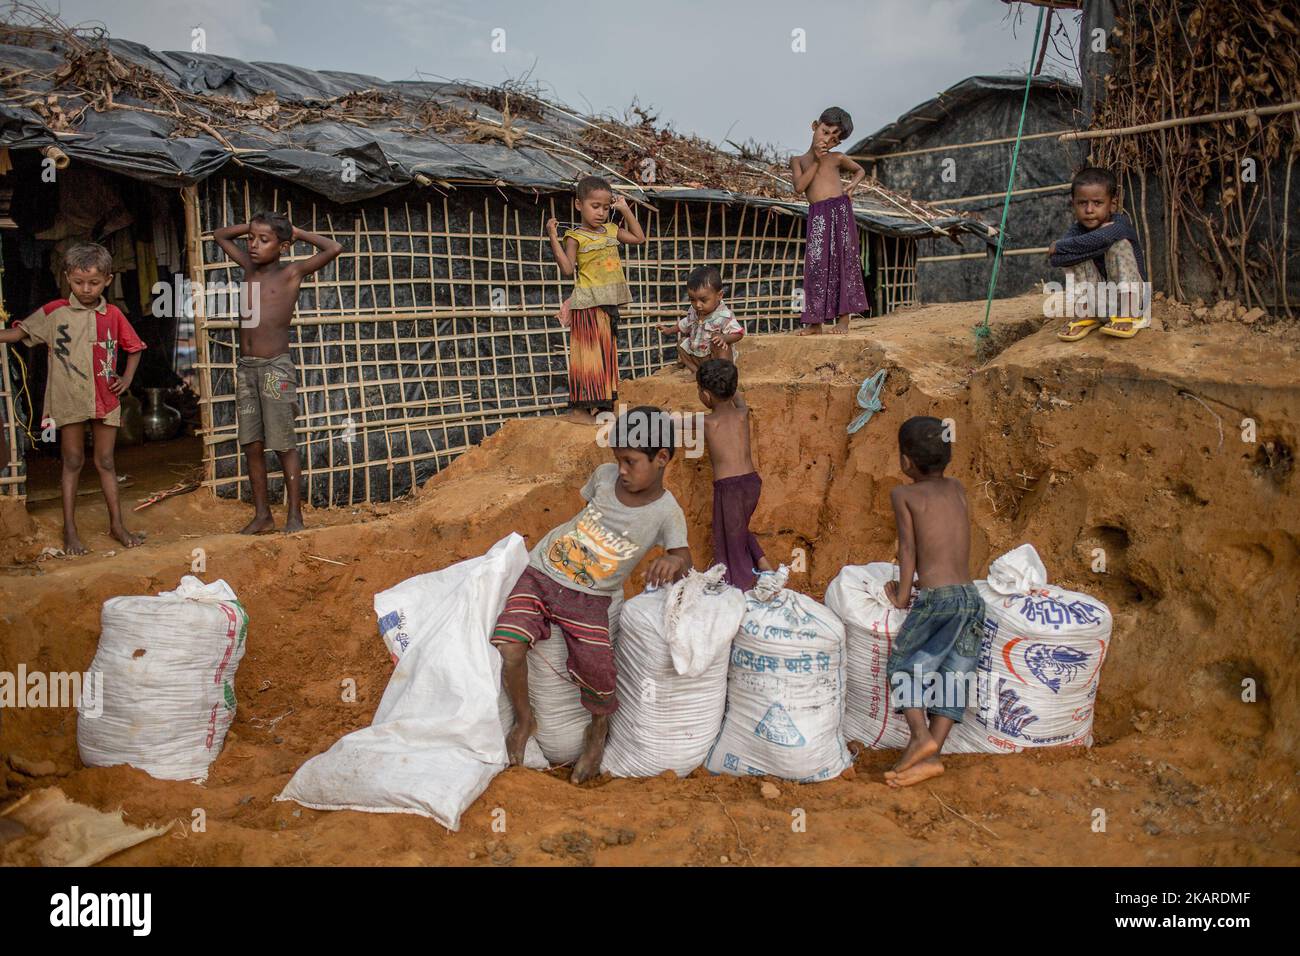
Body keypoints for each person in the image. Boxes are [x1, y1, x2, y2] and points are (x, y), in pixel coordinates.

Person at [493, 406, 692, 783]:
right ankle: (524, 721)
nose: (621, 470)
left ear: (662, 458)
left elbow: (684, 556)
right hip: (541, 572)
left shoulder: (667, 512)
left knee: (599, 672)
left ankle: (597, 731)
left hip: (589, 599)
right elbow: (585, 516)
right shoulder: (603, 477)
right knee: (509, 646)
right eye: (618, 460)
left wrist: (671, 560)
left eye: (631, 462)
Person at [0, 242, 145, 554]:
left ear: (108, 280)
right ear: (67, 277)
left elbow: (134, 348)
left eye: (94, 282)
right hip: (68, 398)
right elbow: (17, 334)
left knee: (106, 460)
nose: (86, 289)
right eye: (79, 282)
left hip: (106, 396)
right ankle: (70, 529)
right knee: (73, 460)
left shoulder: (114, 314)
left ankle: (117, 524)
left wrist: (127, 378)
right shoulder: (55, 312)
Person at [213, 211, 342, 534]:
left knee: (283, 443)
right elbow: (220, 235)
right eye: (252, 239)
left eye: (264, 240)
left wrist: (295, 229)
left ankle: (294, 516)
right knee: (252, 443)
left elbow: (333, 248)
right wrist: (256, 225)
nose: (254, 245)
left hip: (275, 369)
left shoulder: (292, 273)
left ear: (283, 246)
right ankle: (262, 515)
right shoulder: (248, 268)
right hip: (247, 369)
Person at [882, 416, 984, 789]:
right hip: (971, 599)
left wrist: (903, 595)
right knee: (955, 675)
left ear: (906, 461)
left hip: (937, 598)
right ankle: (931, 755)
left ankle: (919, 735)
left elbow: (909, 550)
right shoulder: (957, 488)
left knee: (904, 666)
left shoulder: (903, 495)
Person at [546, 176, 646, 422]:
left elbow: (639, 238)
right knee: (587, 358)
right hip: (587, 304)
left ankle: (603, 408)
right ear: (579, 205)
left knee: (606, 356)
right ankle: (579, 411)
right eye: (595, 206)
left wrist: (624, 209)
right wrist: (552, 236)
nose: (601, 212)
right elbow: (568, 269)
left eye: (605, 207)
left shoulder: (612, 230)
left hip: (608, 304)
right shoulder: (575, 236)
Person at [790, 107, 869, 335]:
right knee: (816, 265)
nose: (827, 140)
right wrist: (815, 159)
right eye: (825, 132)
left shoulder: (837, 159)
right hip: (818, 215)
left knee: (844, 262)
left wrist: (852, 185)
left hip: (841, 212)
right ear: (815, 126)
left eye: (834, 139)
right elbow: (799, 187)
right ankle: (815, 323)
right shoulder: (798, 161)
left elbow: (860, 170)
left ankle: (844, 319)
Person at [696, 359, 772, 590]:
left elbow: (672, 423)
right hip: (751, 484)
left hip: (729, 489)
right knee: (739, 530)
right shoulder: (742, 412)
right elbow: (738, 395)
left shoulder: (708, 422)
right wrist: (727, 383)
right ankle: (765, 566)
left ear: (706, 396)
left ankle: (741, 587)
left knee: (729, 541)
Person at [1049, 166, 1149, 341]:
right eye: (1082, 203)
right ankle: (1086, 314)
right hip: (1100, 304)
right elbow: (1057, 260)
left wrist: (1059, 245)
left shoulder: (1120, 224)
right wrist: (1096, 242)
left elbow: (1102, 239)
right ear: (1073, 204)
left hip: (1133, 300)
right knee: (1075, 255)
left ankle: (1129, 314)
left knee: (1118, 245)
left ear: (1113, 204)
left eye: (1097, 203)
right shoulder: (1077, 230)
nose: (1089, 210)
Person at [658, 265, 744, 374]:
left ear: (719, 295)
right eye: (693, 300)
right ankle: (697, 373)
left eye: (703, 300)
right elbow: (684, 323)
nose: (698, 305)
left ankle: (724, 375)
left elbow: (739, 333)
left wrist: (724, 338)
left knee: (720, 345)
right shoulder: (694, 312)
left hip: (714, 357)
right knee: (681, 344)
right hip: (697, 353)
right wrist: (669, 330)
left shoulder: (724, 316)